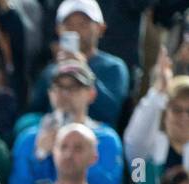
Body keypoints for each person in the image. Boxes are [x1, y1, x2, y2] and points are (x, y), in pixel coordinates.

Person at [8, 62, 123, 184]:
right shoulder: (30, 138)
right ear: (50, 93)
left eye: (74, 88)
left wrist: (76, 154)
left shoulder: (105, 138)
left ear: (91, 94)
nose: (65, 94)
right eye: (59, 87)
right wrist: (39, 157)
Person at [26, 0, 128, 129]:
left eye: (83, 24)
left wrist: (83, 69)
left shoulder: (113, 67)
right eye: (68, 25)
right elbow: (32, 113)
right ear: (58, 29)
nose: (75, 31)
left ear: (100, 28)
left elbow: (110, 111)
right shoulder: (51, 70)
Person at [123, 58, 189, 184]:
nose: (183, 117)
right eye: (176, 109)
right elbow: (135, 141)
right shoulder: (143, 157)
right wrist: (158, 93)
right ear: (165, 112)